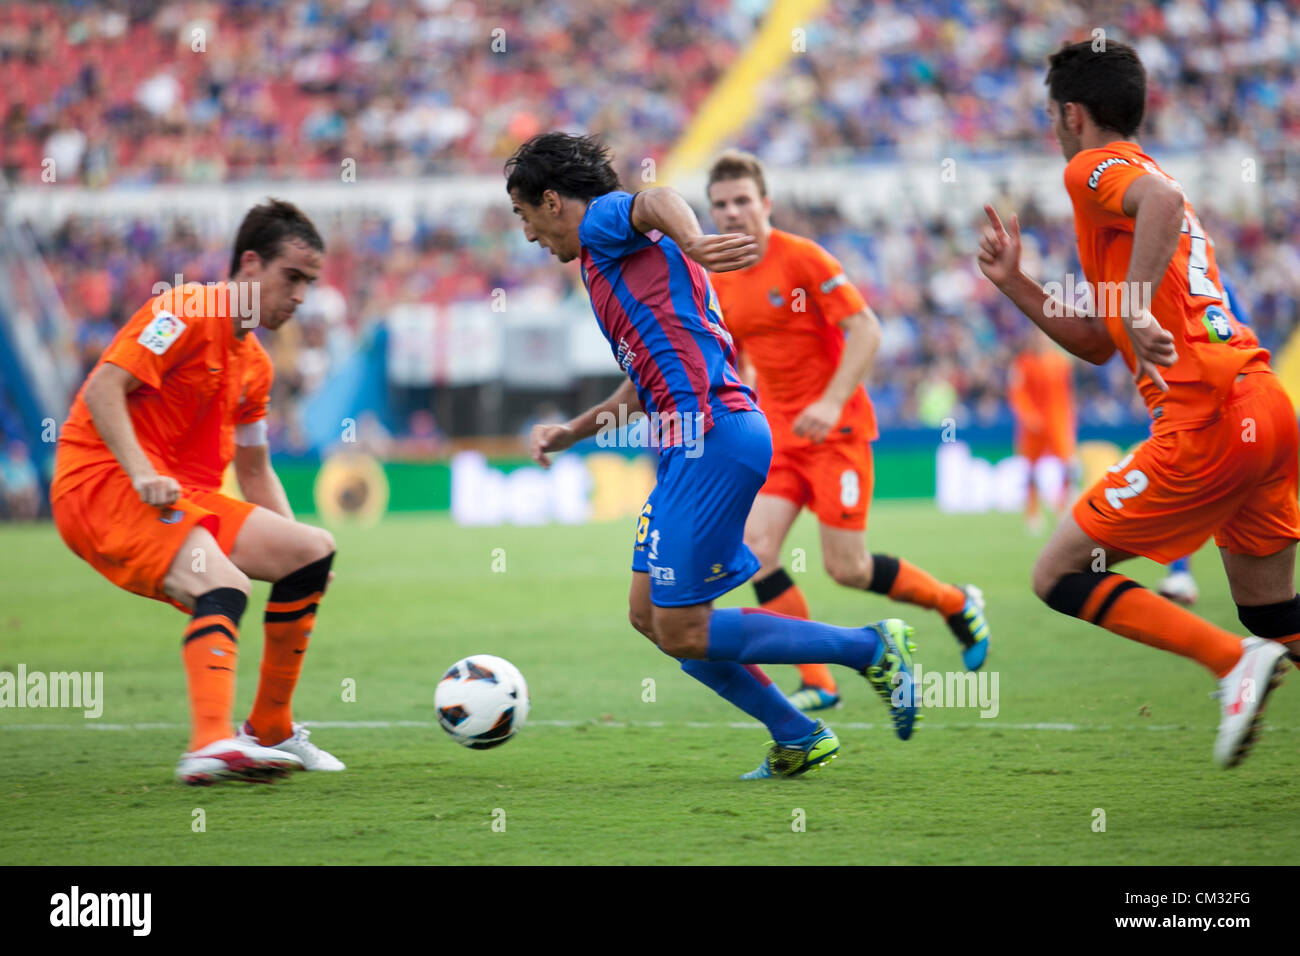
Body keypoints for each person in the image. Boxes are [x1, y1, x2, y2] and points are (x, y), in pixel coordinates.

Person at [507, 132, 919, 779]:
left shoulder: (607, 222)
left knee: (684, 629)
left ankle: (869, 648)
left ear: (553, 201)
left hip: (713, 436)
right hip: (684, 446)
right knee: (650, 616)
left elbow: (658, 199)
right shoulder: (601, 267)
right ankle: (797, 733)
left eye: (524, 215)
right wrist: (570, 433)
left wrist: (694, 239)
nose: (528, 233)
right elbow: (639, 386)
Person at [977, 40, 1296, 767]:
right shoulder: (1140, 183)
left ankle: (1229, 663)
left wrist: (1143, 305)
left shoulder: (1096, 169)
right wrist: (1016, 284)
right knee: (1276, 614)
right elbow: (1098, 341)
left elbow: (1163, 205)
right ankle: (1248, 650)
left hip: (1209, 420)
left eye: (1053, 116)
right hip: (1265, 408)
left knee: (1058, 575)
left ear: (1072, 113)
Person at [51, 199, 345, 785]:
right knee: (224, 582)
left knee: (313, 550)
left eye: (309, 283)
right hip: (103, 481)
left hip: (179, 495)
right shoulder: (184, 310)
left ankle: (270, 727)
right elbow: (105, 389)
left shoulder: (256, 365)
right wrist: (140, 473)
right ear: (250, 264)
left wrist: (295, 542)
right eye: (292, 277)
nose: (300, 296)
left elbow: (256, 469)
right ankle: (209, 742)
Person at [704, 150, 990, 714]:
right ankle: (820, 680)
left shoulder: (804, 259)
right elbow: (743, 354)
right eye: (720, 205)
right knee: (756, 550)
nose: (732, 213)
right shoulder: (718, 277)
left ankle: (955, 602)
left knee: (847, 569)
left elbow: (865, 329)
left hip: (836, 432)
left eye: (742, 201)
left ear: (765, 204)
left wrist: (832, 402)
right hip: (779, 435)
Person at [1008, 328, 1076, 535]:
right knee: (1031, 470)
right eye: (1037, 337)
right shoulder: (1022, 363)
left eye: (1044, 337)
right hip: (1033, 426)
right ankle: (1032, 512)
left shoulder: (1061, 362)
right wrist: (1028, 416)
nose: (1041, 340)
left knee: (1069, 467)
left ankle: (1061, 506)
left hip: (1058, 423)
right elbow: (1017, 393)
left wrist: (1069, 420)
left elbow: (1066, 394)